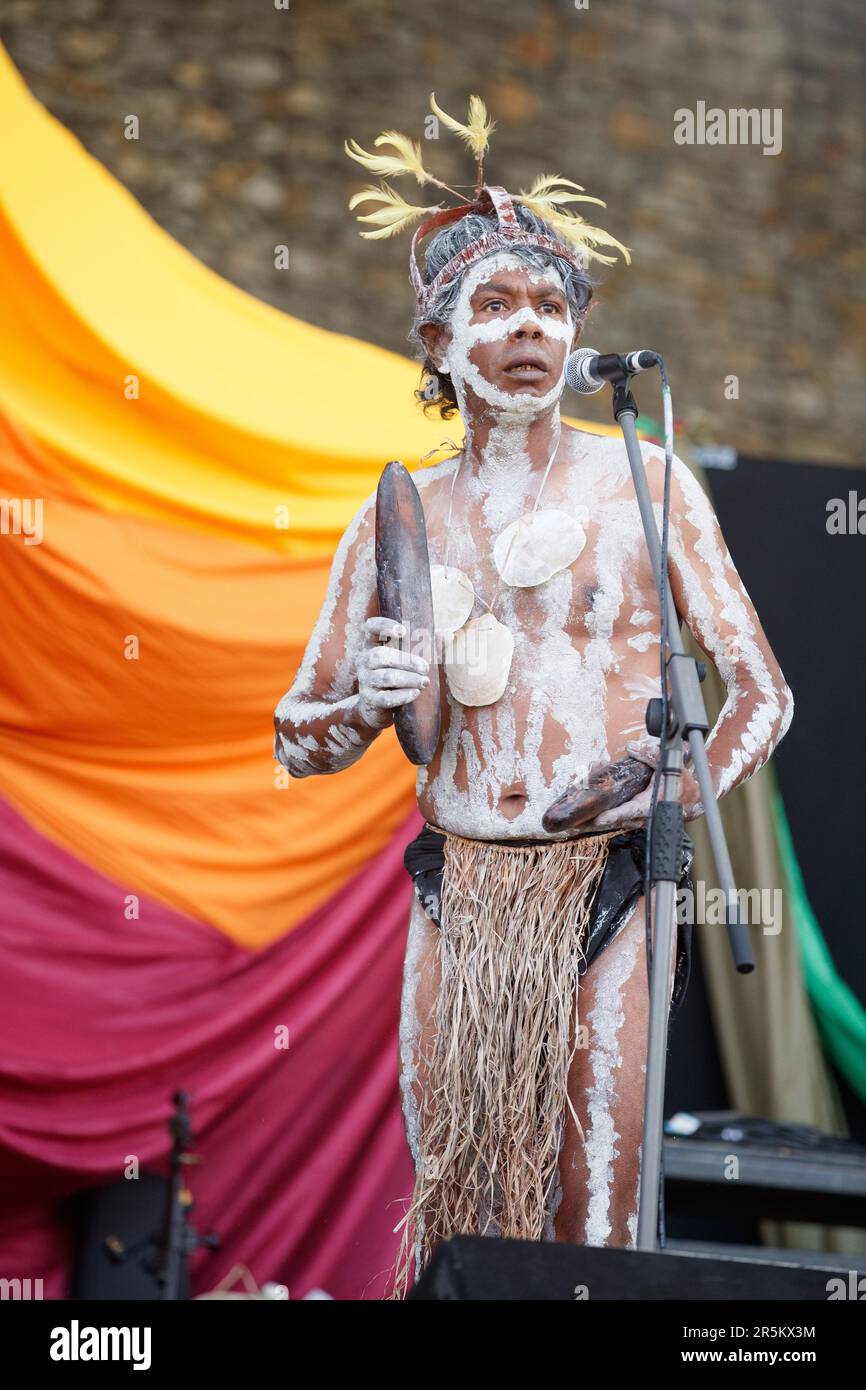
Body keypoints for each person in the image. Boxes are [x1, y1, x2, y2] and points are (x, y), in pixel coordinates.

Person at [273, 96, 794, 1299]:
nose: (528, 330)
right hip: (463, 883)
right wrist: (364, 698)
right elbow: (295, 737)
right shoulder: (397, 515)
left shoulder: (641, 480)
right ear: (438, 343)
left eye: (551, 308)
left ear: (578, 339)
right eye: (494, 306)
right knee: (460, 1191)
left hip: (609, 873)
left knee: (593, 1210)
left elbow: (759, 694)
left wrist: (676, 783)